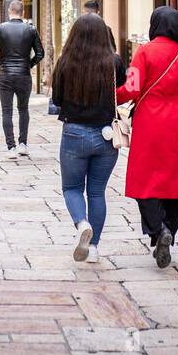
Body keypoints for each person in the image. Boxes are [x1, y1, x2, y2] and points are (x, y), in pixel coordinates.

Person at [116, 6, 178, 268]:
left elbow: (132, 88)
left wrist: (110, 96)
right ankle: (168, 229)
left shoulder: (144, 52)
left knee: (144, 180)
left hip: (151, 123)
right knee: (177, 182)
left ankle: (158, 231)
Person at [50, 14, 126, 263]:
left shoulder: (65, 62)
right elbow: (122, 92)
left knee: (72, 188)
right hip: (105, 136)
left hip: (74, 133)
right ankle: (93, 248)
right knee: (97, 192)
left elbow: (57, 100)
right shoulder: (114, 63)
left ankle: (82, 223)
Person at [0, 0, 44, 157]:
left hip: (5, 75)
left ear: (9, 11)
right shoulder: (31, 30)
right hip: (24, 75)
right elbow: (40, 54)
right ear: (23, 12)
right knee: (23, 109)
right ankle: (23, 144)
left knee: (6, 111)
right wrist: (29, 65)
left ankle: (11, 147)